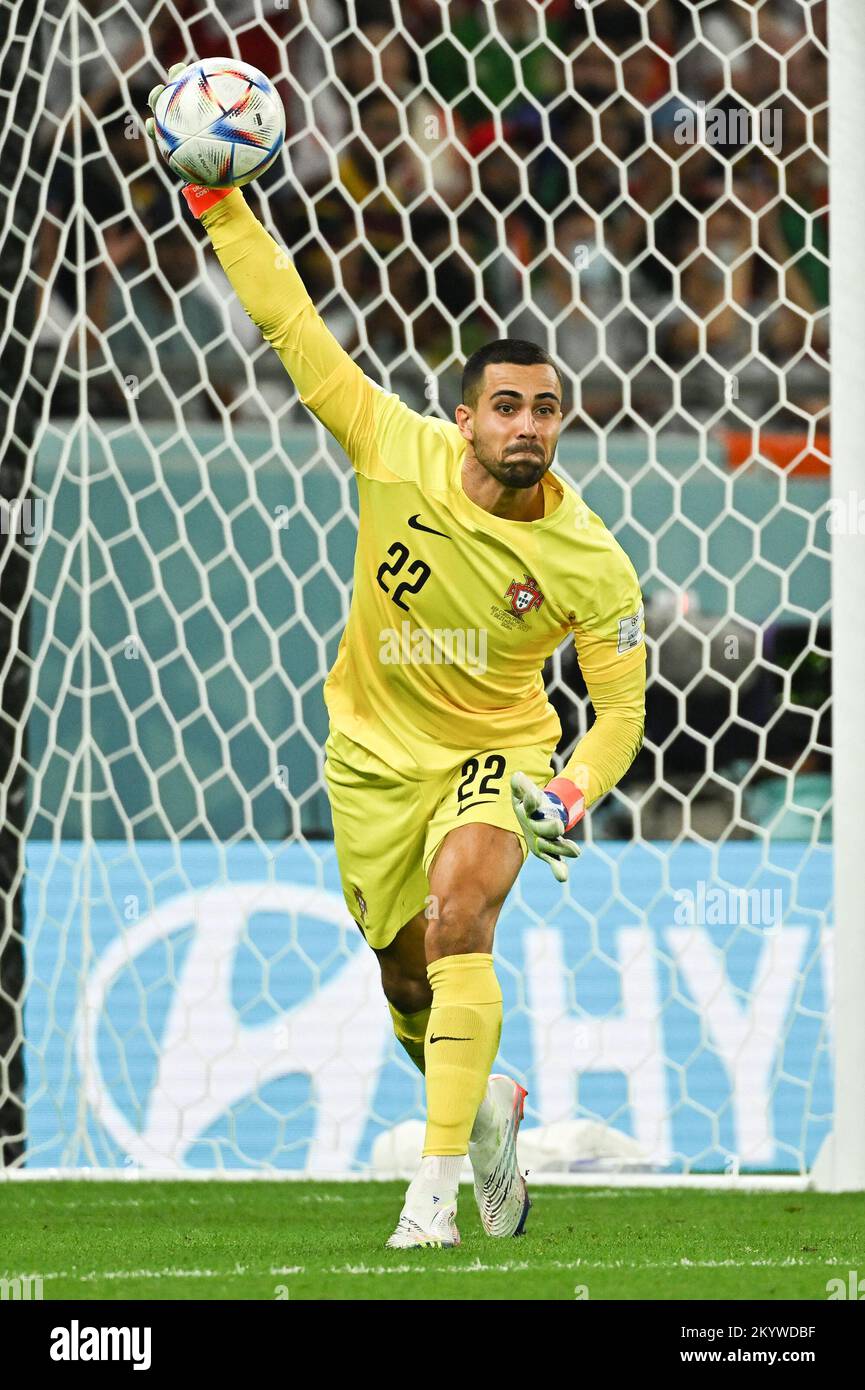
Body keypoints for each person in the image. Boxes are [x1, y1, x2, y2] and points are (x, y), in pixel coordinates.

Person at [145, 70, 647, 1248]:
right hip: (371, 756)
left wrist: (571, 786)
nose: (526, 424)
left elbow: (618, 710)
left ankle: (431, 1199)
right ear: (465, 417)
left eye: (545, 408)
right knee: (407, 979)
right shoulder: (390, 445)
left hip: (496, 752)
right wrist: (220, 209)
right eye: (505, 406)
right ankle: (482, 1111)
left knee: (460, 911)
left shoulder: (591, 562)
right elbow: (293, 328)